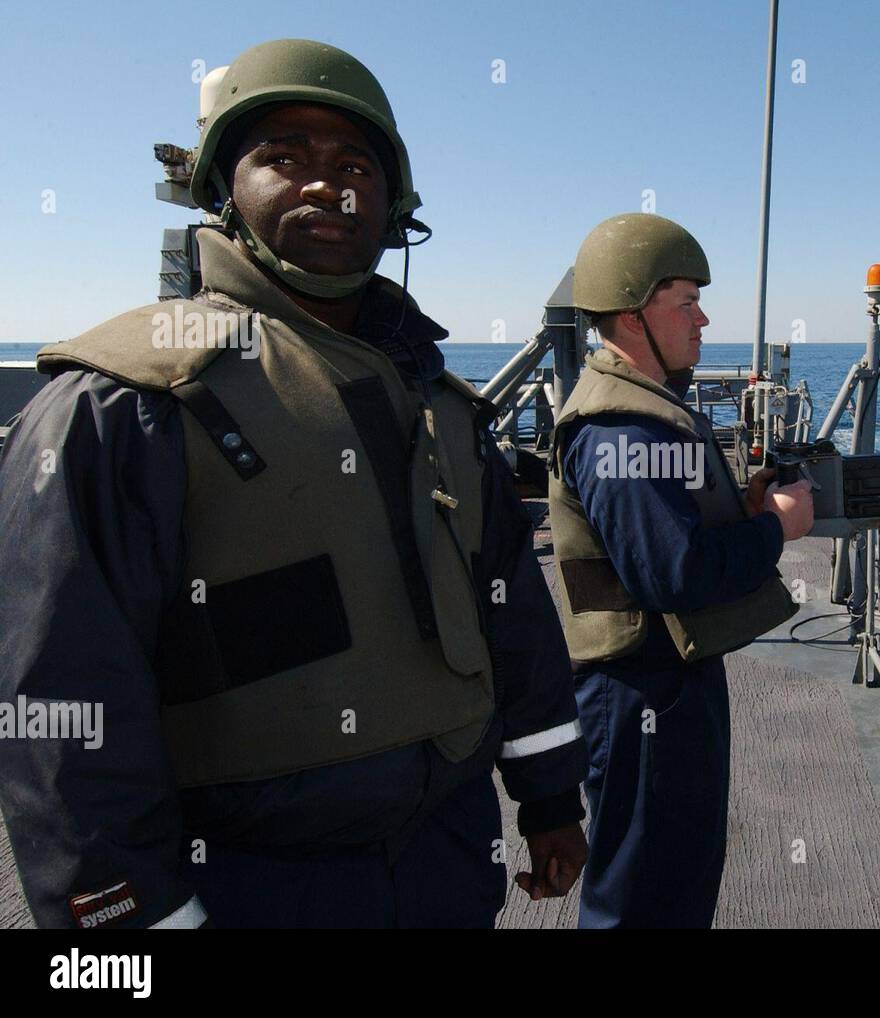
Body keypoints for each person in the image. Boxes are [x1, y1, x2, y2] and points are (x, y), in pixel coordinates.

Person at [0, 38, 587, 929]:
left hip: (445, 863)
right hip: (246, 887)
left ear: (395, 208)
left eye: (353, 163)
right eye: (282, 157)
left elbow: (513, 620)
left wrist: (549, 795)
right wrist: (127, 933)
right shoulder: (124, 403)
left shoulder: (440, 405)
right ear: (221, 191)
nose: (325, 184)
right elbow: (62, 710)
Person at [549, 213, 814, 927]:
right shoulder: (619, 429)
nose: (703, 319)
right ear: (634, 316)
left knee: (677, 881)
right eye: (685, 301)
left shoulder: (646, 413)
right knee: (641, 898)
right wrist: (777, 525)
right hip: (640, 692)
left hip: (670, 680)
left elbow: (673, 537)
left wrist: (748, 507)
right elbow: (675, 572)